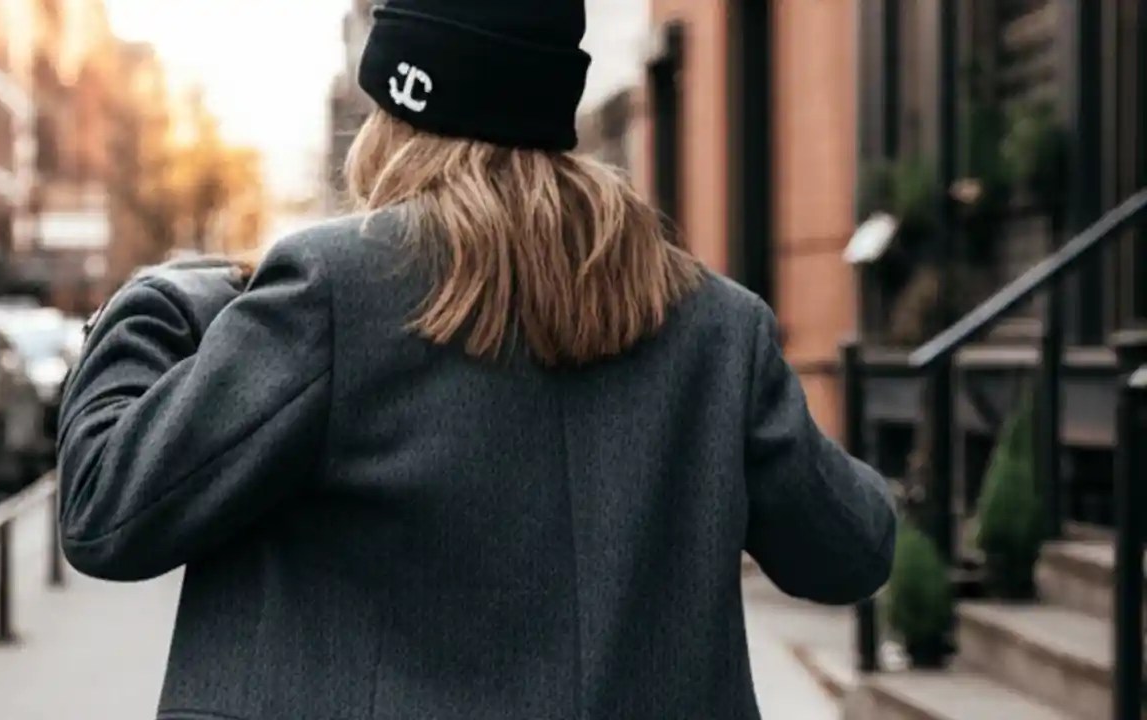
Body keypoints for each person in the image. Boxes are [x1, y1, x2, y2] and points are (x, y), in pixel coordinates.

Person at [56, 1, 896, 718]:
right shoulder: (717, 327)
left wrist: (161, 300)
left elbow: (107, 507)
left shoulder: (333, 292)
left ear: (391, 113)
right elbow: (852, 551)